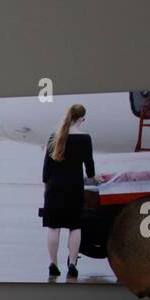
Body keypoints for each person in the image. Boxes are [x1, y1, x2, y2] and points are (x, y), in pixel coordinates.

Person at [41, 103, 95, 279]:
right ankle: (72, 265)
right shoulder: (85, 139)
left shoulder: (53, 136)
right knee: (75, 227)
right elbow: (89, 167)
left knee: (53, 227)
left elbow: (46, 168)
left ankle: (53, 264)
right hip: (74, 188)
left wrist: (46, 188)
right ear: (81, 119)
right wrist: (94, 177)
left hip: (54, 188)